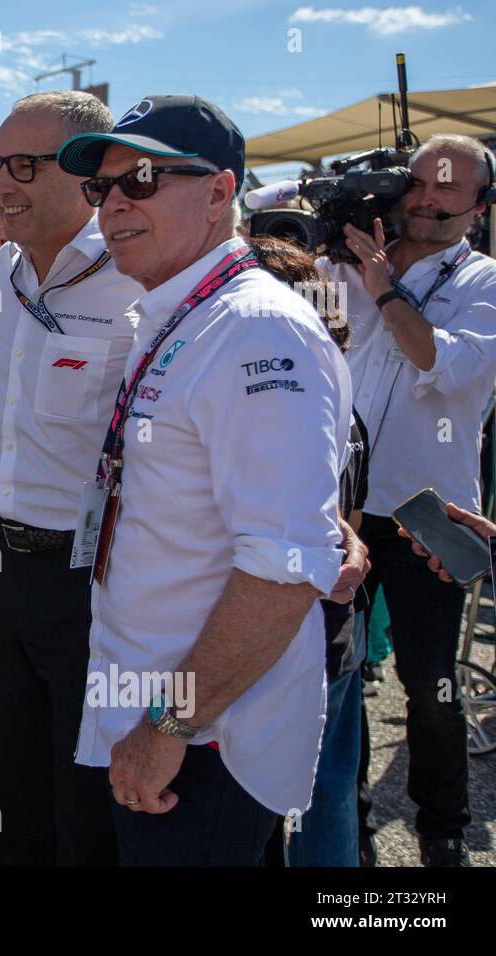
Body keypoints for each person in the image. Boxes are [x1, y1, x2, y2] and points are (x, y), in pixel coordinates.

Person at [57, 94, 352, 866]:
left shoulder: (258, 328)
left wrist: (168, 728)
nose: (114, 202)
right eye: (103, 187)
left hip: (205, 740)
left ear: (221, 192)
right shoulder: (181, 311)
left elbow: (283, 571)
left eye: (143, 178)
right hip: (160, 715)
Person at [0, 91, 141, 867]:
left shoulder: (136, 279)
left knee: (85, 806)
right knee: (13, 798)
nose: (2, 186)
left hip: (94, 579)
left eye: (26, 165)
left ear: (89, 172)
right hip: (2, 562)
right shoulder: (6, 271)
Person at [323, 133, 496, 867]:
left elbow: (441, 362)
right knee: (336, 677)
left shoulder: (485, 281)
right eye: (418, 182)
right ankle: (343, 822)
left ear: (480, 207)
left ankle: (443, 823)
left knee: (430, 685)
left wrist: (382, 286)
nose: (426, 197)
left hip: (431, 515)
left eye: (448, 188)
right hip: (345, 510)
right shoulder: (352, 263)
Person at [246, 237, 371, 868]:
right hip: (334, 629)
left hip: (294, 637)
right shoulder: (344, 404)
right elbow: (346, 529)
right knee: (327, 792)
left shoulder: (281, 405)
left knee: (278, 798)